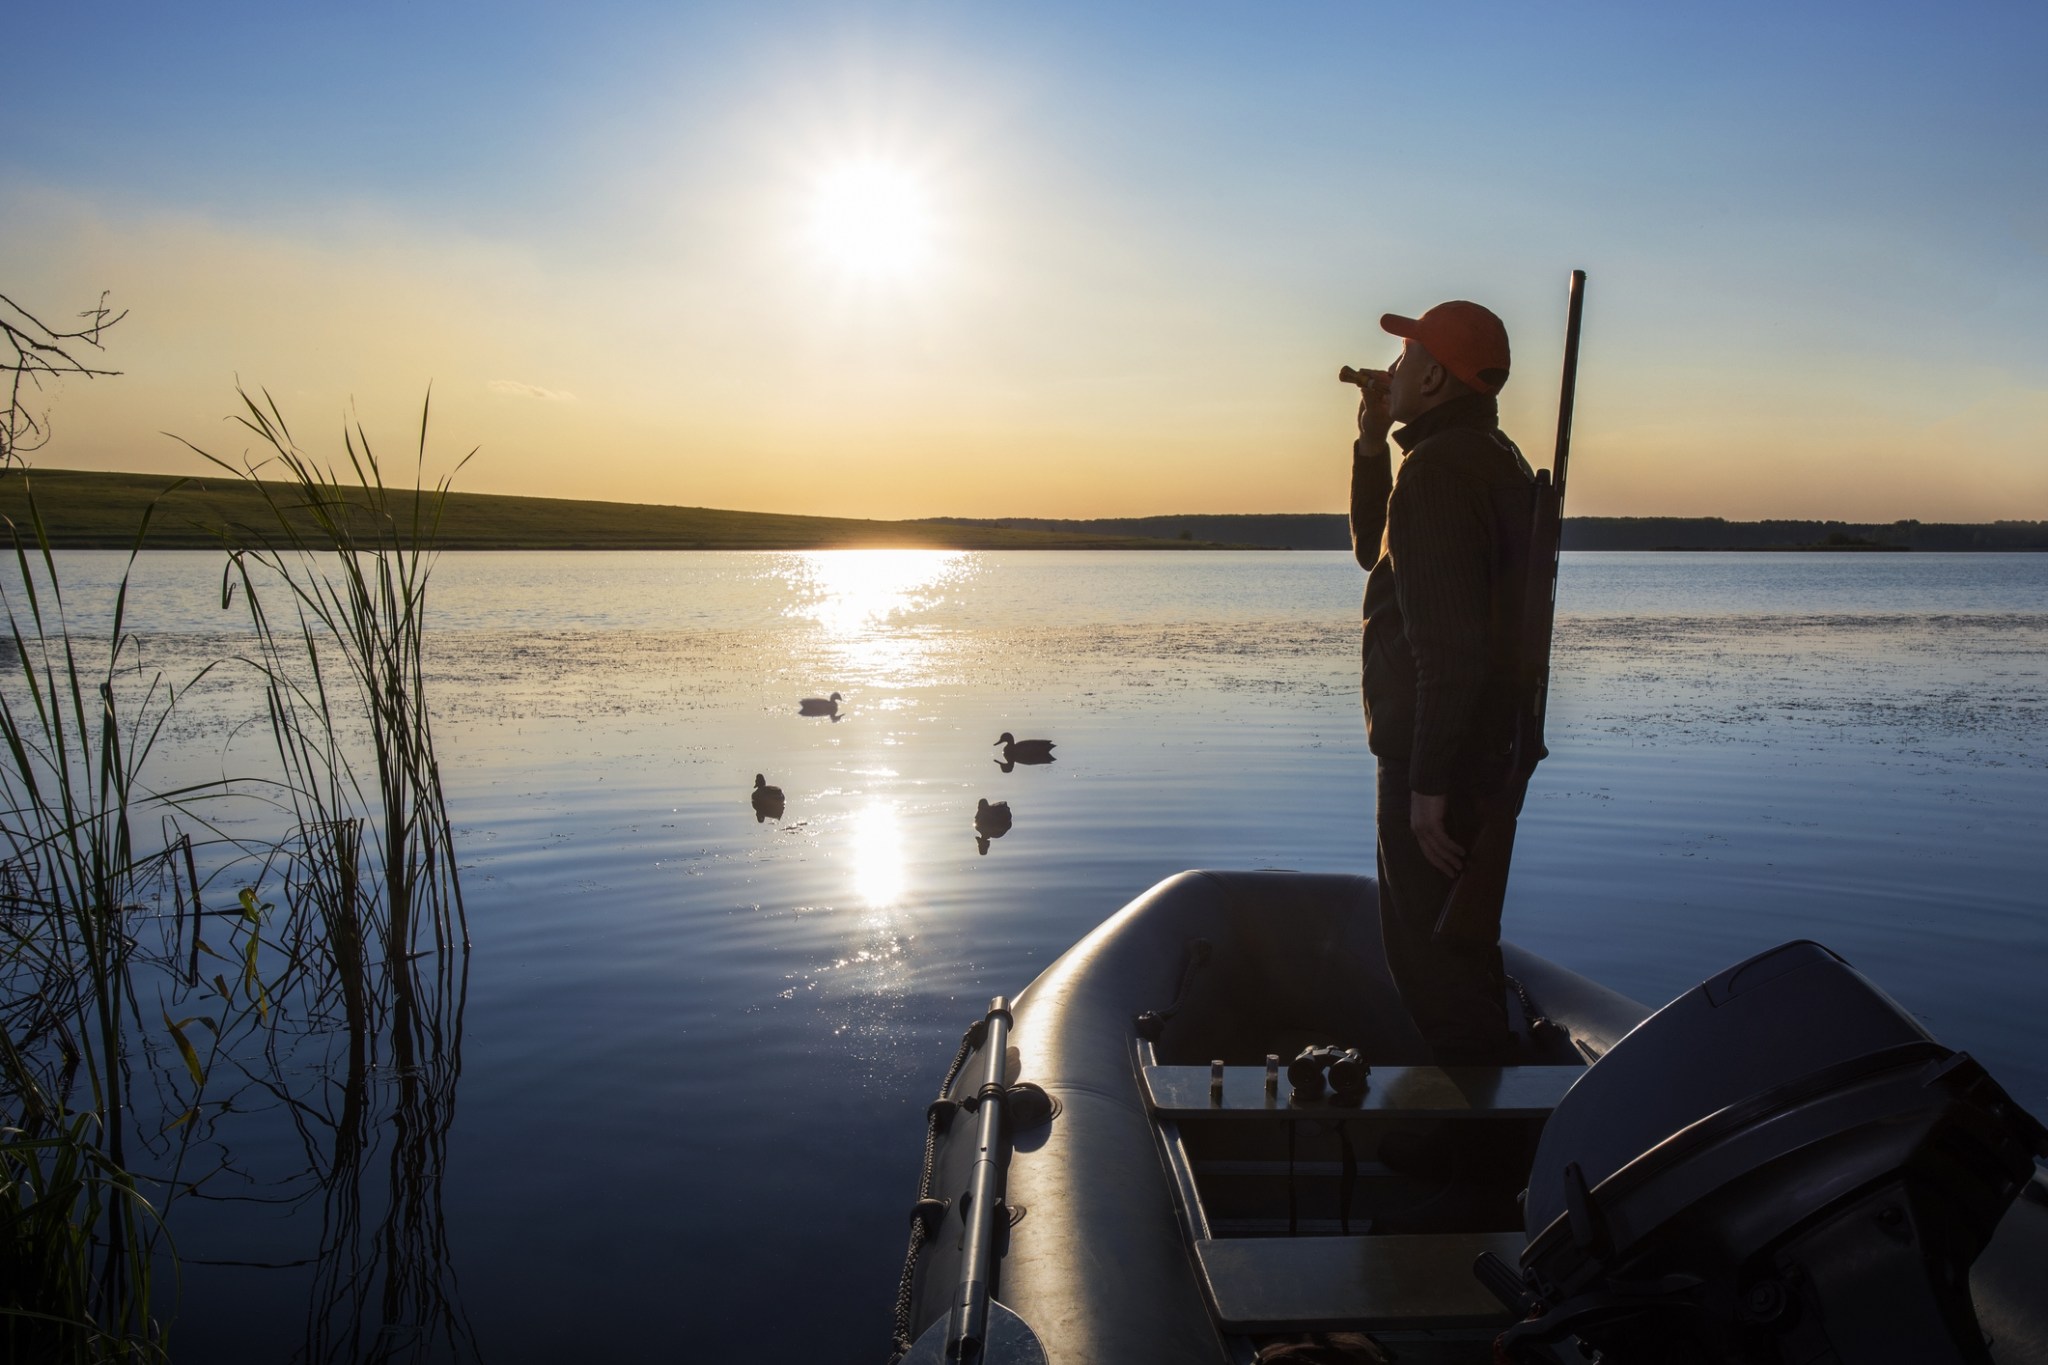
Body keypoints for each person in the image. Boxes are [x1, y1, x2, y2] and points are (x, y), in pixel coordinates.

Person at [1348, 300, 1535, 1065]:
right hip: (1474, 751)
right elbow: (1373, 551)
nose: (1391, 366)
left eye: (1406, 356)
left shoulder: (1435, 476)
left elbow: (1451, 649)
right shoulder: (1487, 457)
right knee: (1459, 946)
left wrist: (1426, 784)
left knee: (1433, 964)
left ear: (1434, 378)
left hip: (1437, 765)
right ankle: (1482, 1130)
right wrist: (1370, 442)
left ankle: (1473, 1159)